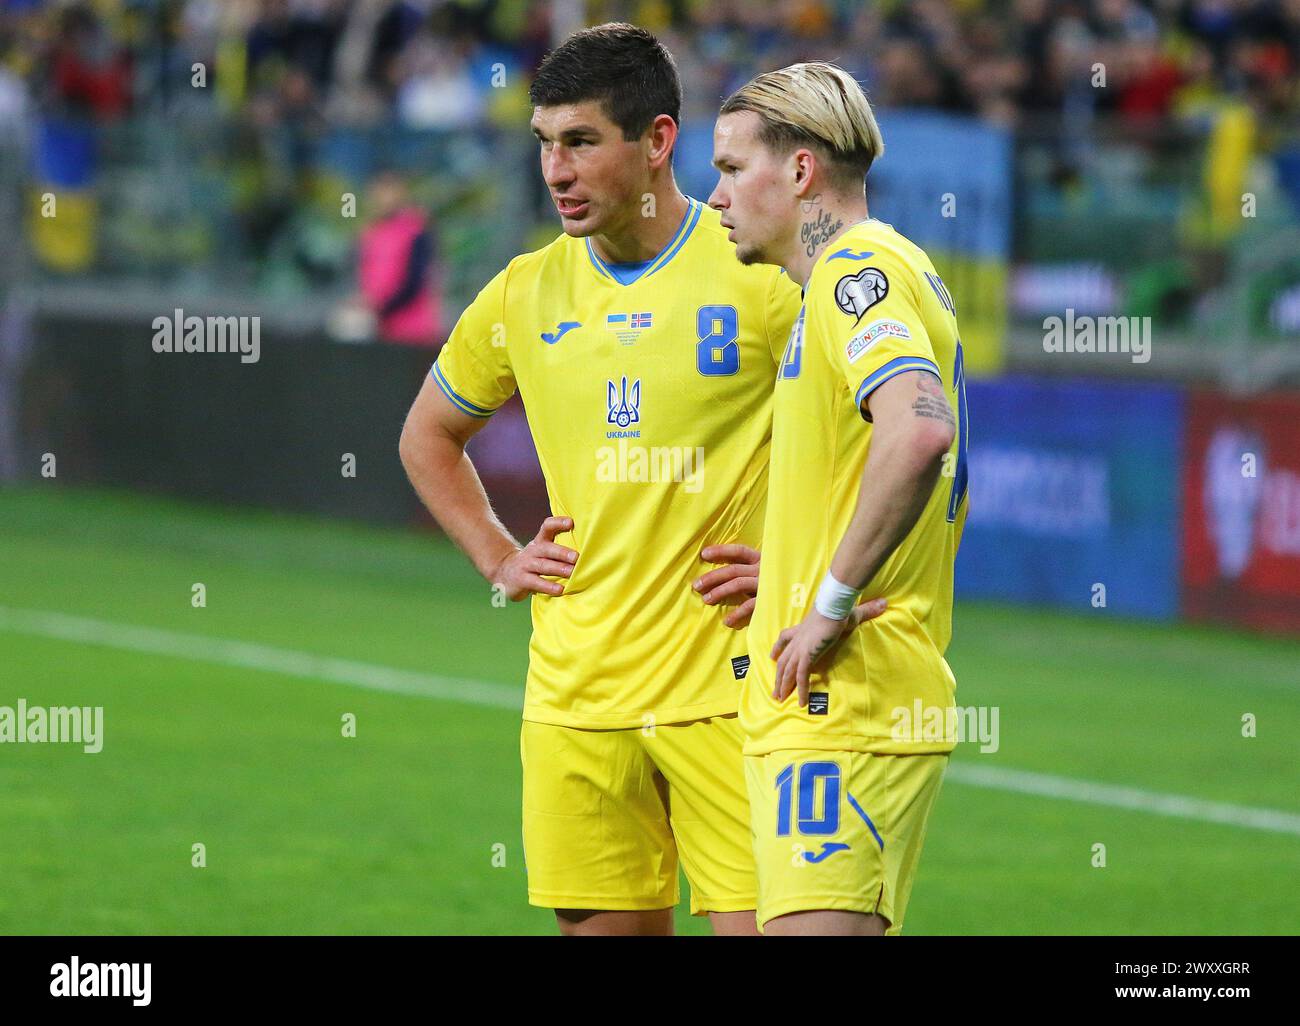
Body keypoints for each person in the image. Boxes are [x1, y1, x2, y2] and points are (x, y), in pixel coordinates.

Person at [401, 23, 846, 935]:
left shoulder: (763, 274)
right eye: (543, 145)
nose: (556, 171)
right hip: (577, 701)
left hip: (732, 697)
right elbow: (427, 436)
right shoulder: (525, 292)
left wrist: (809, 567)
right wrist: (497, 557)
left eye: (581, 141)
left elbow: (888, 437)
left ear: (657, 142)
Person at [708, 61, 969, 936]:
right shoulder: (876, 273)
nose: (717, 198)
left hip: (845, 705)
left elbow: (919, 430)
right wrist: (793, 567)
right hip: (835, 708)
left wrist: (829, 599)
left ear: (801, 170)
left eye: (732, 169)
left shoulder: (858, 268)